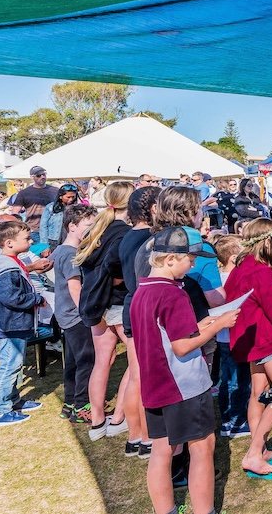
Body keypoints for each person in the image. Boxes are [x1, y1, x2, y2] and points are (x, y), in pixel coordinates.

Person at [132, 226, 239, 514]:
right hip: (184, 384)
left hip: (155, 382)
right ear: (169, 259)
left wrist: (202, 325)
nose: (192, 265)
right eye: (189, 260)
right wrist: (218, 324)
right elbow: (181, 346)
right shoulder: (173, 295)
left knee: (162, 449)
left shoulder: (142, 291)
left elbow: (167, 335)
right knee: (202, 446)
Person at [225, 218, 272, 480]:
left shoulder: (241, 267)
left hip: (248, 339)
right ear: (268, 242)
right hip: (267, 340)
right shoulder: (261, 270)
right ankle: (255, 454)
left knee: (259, 392)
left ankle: (259, 448)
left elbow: (250, 298)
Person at [76, 181, 134, 441]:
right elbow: (116, 268)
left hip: (95, 303)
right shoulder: (122, 233)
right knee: (136, 362)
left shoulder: (97, 228)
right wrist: (121, 280)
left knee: (103, 361)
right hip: (116, 302)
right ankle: (119, 417)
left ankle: (98, 421)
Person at [0, 220, 48, 427]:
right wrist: (36, 299)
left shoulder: (13, 261)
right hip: (8, 324)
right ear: (9, 243)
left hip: (12, 322)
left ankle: (12, 400)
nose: (31, 241)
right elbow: (10, 296)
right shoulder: (7, 268)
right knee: (9, 366)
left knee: (14, 364)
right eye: (27, 239)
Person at [118, 185, 162, 458]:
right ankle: (147, 436)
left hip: (130, 304)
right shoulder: (150, 239)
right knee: (146, 378)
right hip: (144, 307)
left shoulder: (127, 236)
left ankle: (135, 436)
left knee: (136, 377)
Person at [51, 204, 98, 424]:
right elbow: (74, 287)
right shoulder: (71, 254)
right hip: (76, 316)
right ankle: (82, 405)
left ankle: (69, 402)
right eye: (89, 226)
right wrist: (86, 313)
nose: (93, 229)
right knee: (86, 361)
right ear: (72, 226)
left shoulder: (60, 250)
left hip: (64, 315)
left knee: (72, 361)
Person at [211, 234, 251, 439]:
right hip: (233, 335)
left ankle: (228, 416)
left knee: (227, 377)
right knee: (238, 379)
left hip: (223, 336)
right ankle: (234, 421)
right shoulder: (234, 278)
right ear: (234, 257)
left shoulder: (217, 277)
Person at [8, 165, 60, 243]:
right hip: (35, 231)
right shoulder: (24, 193)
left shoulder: (55, 191)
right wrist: (22, 228)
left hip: (53, 230)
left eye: (44, 174)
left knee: (53, 254)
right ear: (32, 177)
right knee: (37, 254)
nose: (42, 177)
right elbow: (15, 213)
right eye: (38, 175)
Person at [40, 183, 80, 250]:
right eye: (68, 197)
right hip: (53, 241)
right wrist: (44, 246)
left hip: (70, 241)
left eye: (73, 197)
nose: (71, 199)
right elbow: (43, 227)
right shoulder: (50, 207)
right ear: (60, 196)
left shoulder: (77, 209)